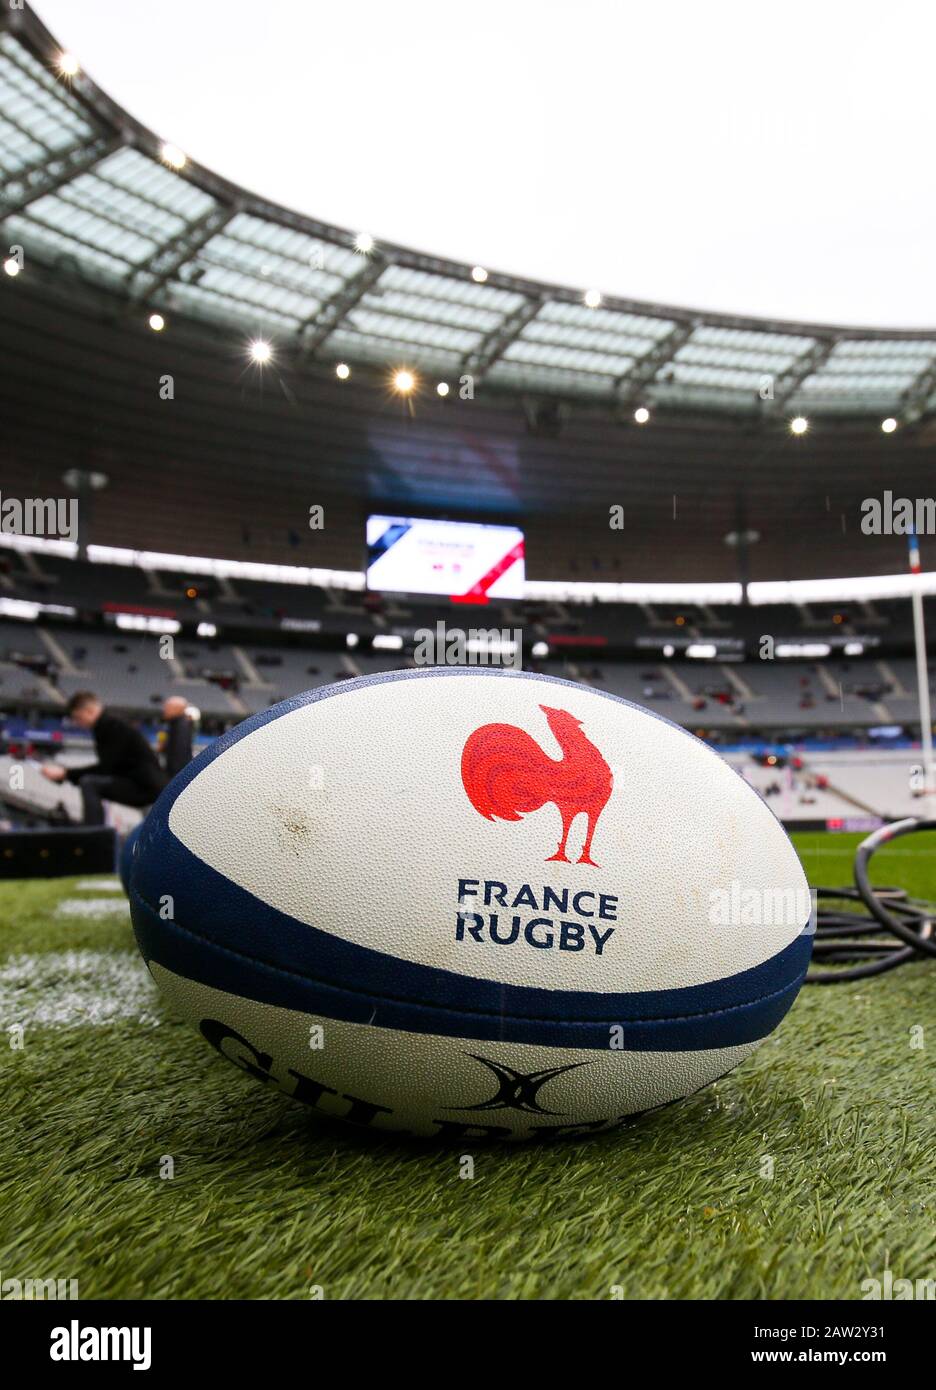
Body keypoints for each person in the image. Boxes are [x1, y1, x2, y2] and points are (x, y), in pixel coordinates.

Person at [41, 692, 168, 826]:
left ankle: (94, 833)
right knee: (91, 782)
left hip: (146, 788)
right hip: (143, 784)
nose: (77, 723)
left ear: (88, 711)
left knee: (89, 783)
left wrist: (65, 773)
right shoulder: (108, 725)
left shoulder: (111, 726)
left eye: (78, 717)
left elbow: (107, 768)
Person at [161, 695, 194, 779]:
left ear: (177, 709)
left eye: (168, 707)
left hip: (176, 775)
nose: (164, 710)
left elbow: (179, 754)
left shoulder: (181, 726)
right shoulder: (176, 724)